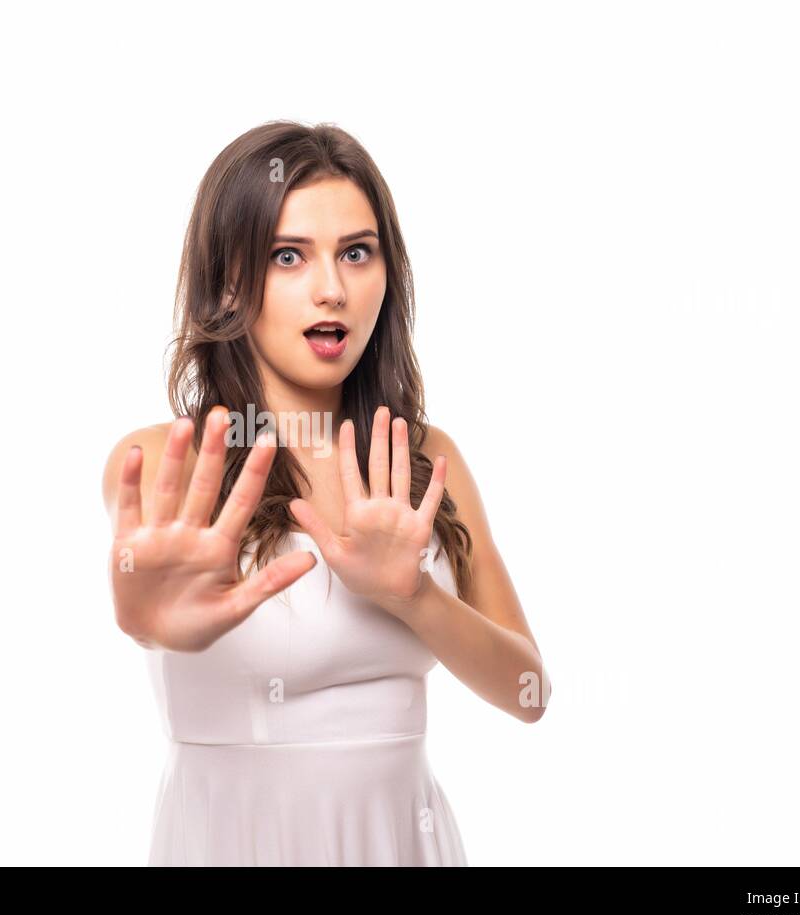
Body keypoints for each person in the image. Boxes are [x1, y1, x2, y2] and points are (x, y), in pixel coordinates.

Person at [101, 121, 550, 866]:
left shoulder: (425, 460)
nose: (332, 288)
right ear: (232, 281)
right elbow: (150, 614)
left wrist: (414, 596)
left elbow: (529, 696)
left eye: (356, 252)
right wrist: (148, 624)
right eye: (288, 256)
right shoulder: (164, 461)